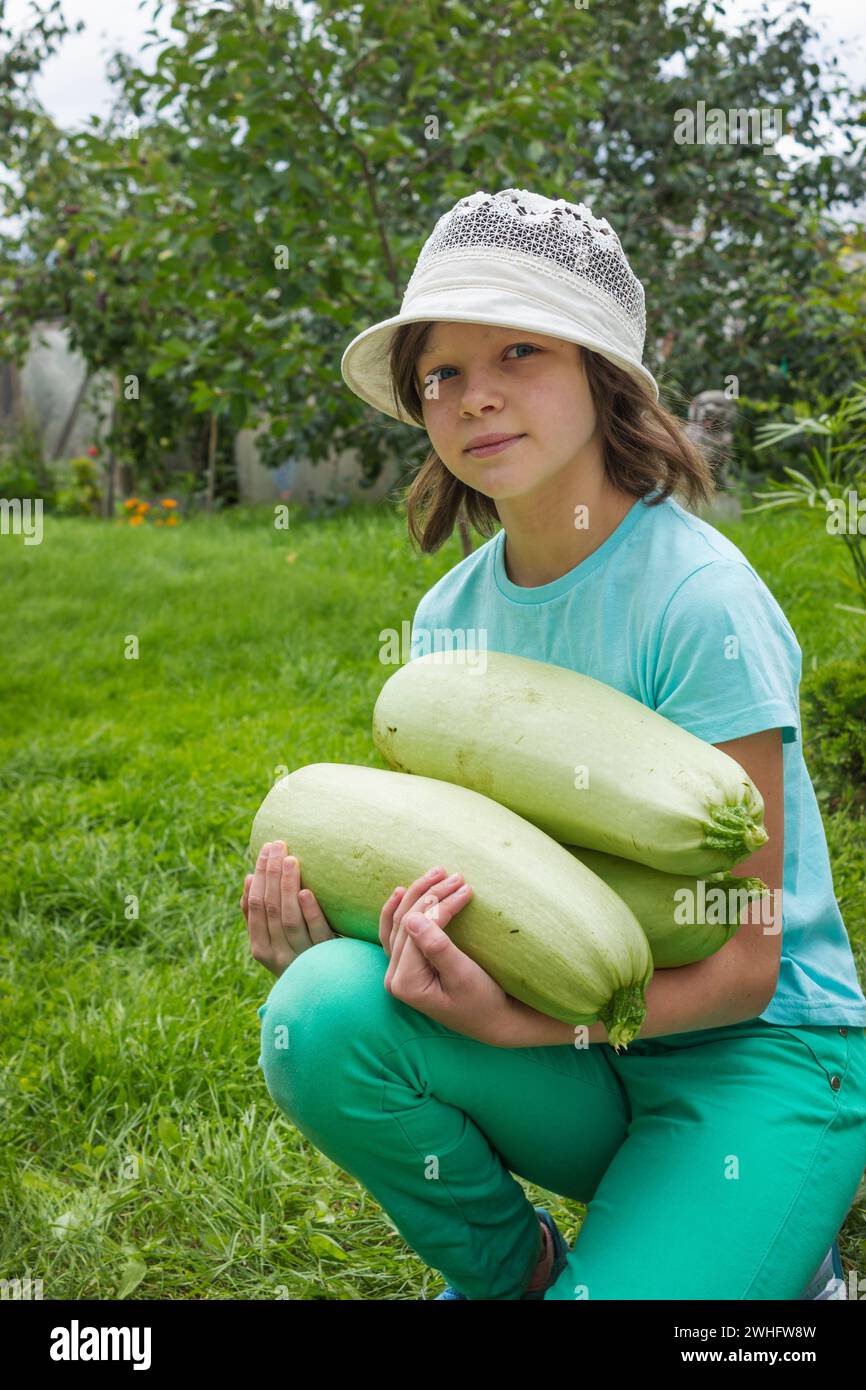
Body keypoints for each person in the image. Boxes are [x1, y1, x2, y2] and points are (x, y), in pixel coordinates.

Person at [243, 188, 866, 1301]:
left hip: (759, 1056)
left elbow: (740, 959)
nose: (474, 394)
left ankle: (770, 1233)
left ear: (600, 375)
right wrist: (356, 930)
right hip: (580, 1041)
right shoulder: (446, 623)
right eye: (441, 372)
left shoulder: (697, 599)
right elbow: (480, 877)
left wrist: (519, 1020)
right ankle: (515, 1273)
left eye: (518, 349)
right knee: (318, 1012)